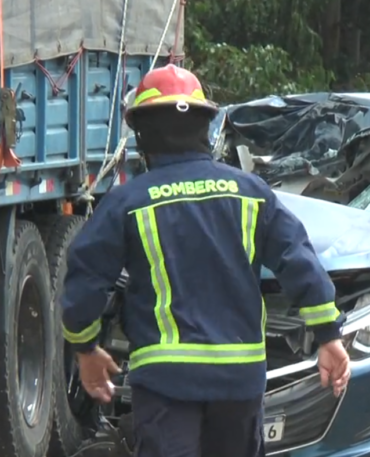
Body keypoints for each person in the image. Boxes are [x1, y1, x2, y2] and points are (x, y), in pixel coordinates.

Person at [60, 64, 350, 457]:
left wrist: (86, 349)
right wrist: (328, 337)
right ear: (205, 127)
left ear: (143, 133)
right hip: (240, 379)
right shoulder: (251, 192)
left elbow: (85, 277)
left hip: (165, 381)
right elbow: (298, 260)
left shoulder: (128, 202)